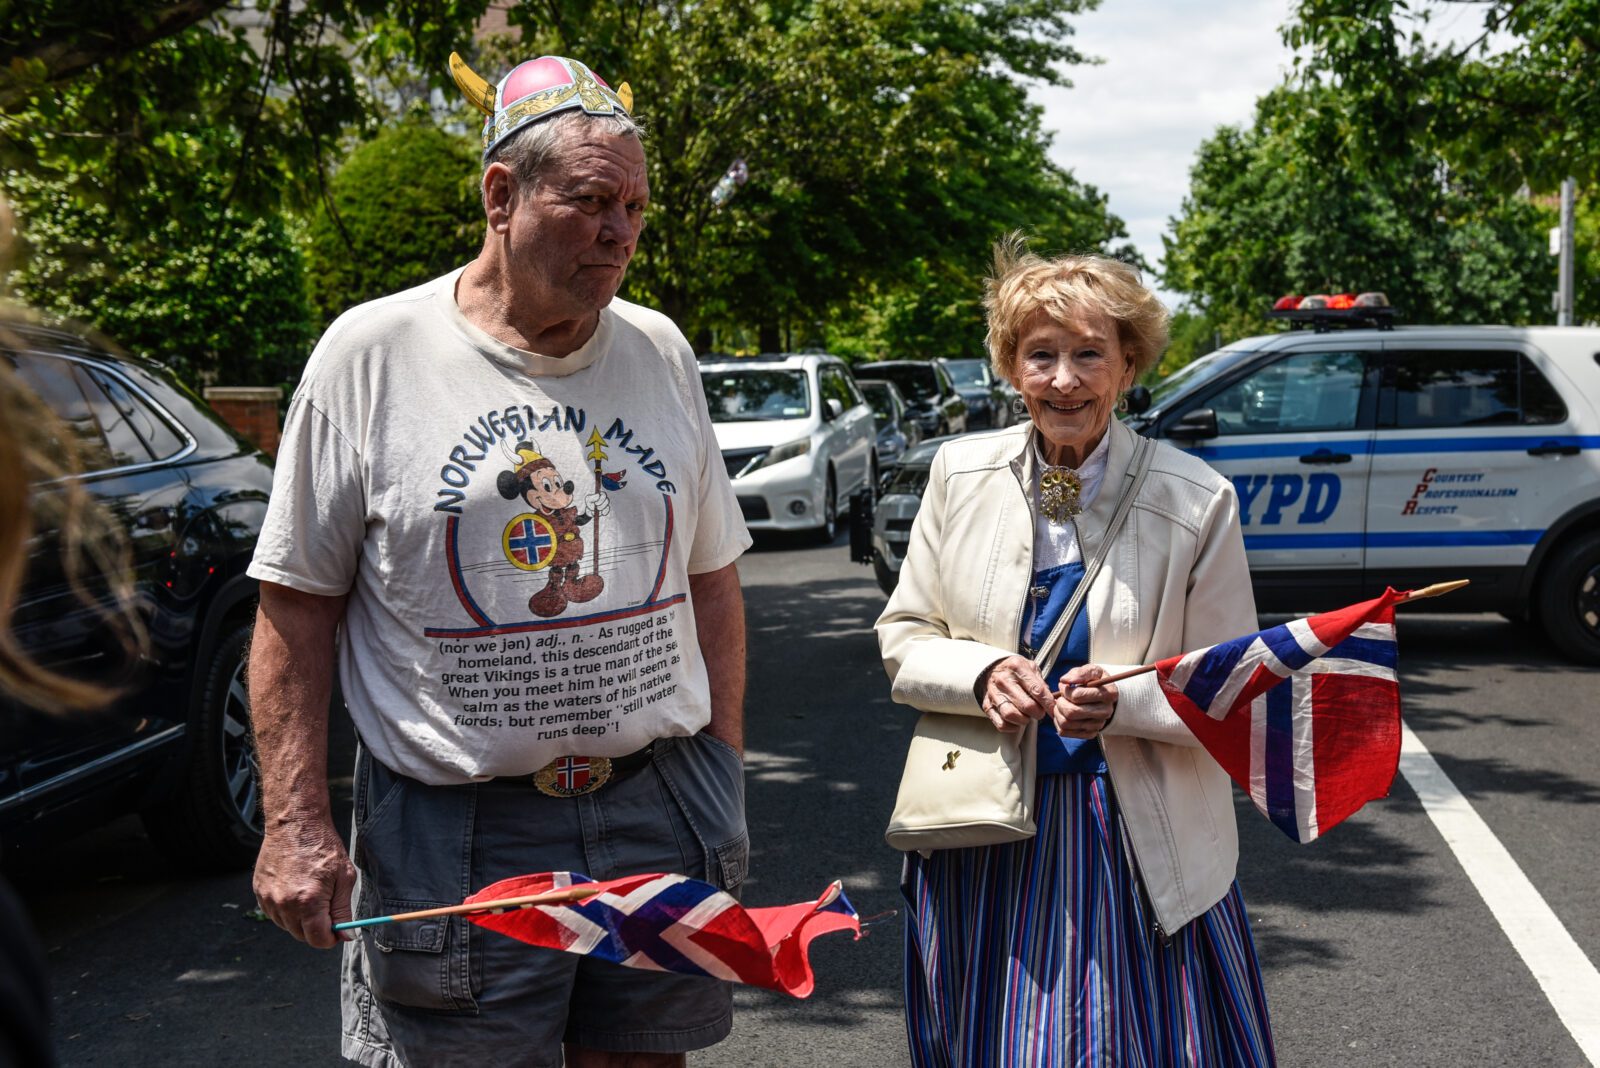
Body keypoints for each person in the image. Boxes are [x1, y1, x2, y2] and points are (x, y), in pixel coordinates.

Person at [246, 53, 752, 1068]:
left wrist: (721, 776)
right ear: (500, 195)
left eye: (635, 207)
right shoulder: (371, 354)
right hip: (459, 831)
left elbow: (711, 578)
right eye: (591, 201)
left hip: (655, 809)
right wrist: (294, 822)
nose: (620, 233)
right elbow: (296, 604)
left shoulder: (658, 349)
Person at [876, 236, 1276, 1066]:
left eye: (1090, 353)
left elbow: (1233, 682)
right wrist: (982, 672)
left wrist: (1123, 701)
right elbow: (905, 635)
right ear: (1010, 367)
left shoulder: (1196, 497)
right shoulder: (959, 473)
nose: (1064, 379)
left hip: (1130, 834)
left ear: (1128, 366)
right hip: (983, 824)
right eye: (1041, 355)